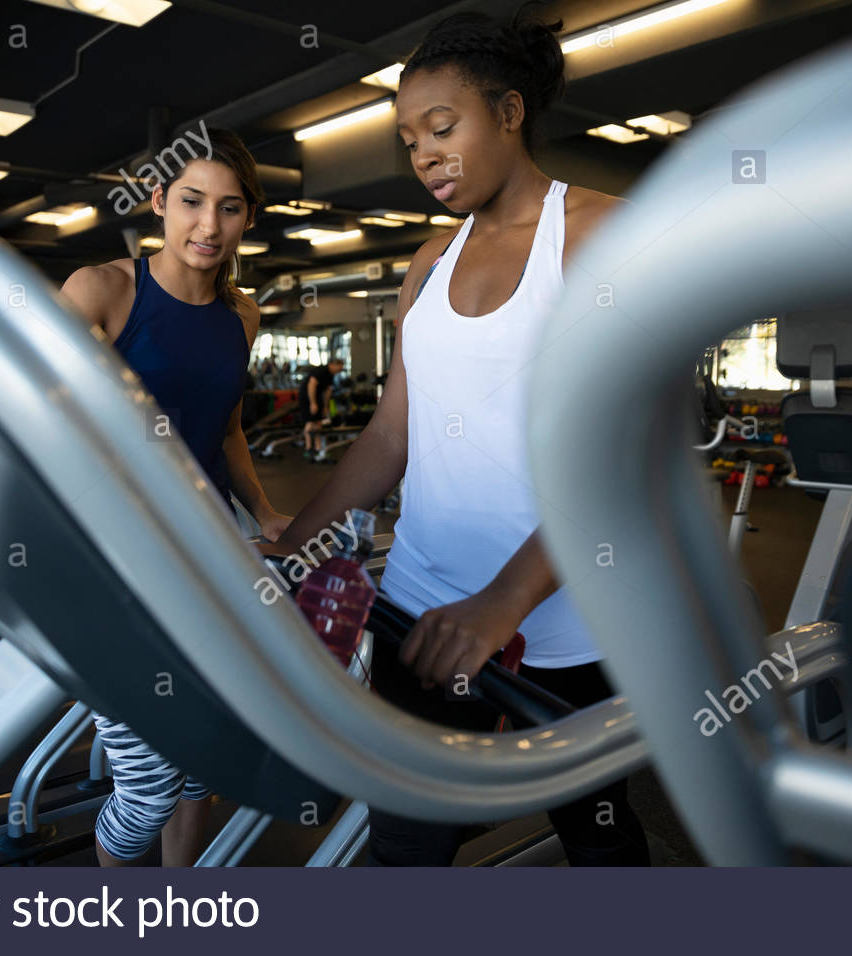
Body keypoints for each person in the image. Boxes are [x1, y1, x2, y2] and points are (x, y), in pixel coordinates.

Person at [270, 5, 650, 866]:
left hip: (559, 624)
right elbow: (389, 436)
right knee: (407, 838)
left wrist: (502, 606)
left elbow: (624, 462)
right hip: (418, 604)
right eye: (409, 141)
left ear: (510, 113)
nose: (426, 155)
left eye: (443, 127)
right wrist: (289, 553)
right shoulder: (428, 261)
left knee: (596, 829)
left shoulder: (601, 234)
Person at [60, 128, 293, 867]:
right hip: (110, 560)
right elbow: (46, 428)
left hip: (207, 550)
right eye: (191, 202)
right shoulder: (102, 291)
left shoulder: (242, 316)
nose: (208, 226)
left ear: (248, 218)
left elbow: (224, 428)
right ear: (158, 200)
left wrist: (264, 513)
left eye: (230, 209)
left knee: (206, 760)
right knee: (149, 787)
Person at [299, 358, 343, 459]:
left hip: (317, 396)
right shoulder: (321, 371)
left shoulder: (331, 375)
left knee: (318, 423)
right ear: (332, 364)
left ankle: (318, 449)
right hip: (307, 396)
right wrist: (313, 403)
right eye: (339, 368)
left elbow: (328, 391)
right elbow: (311, 385)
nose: (339, 371)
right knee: (310, 422)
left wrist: (325, 406)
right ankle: (308, 448)